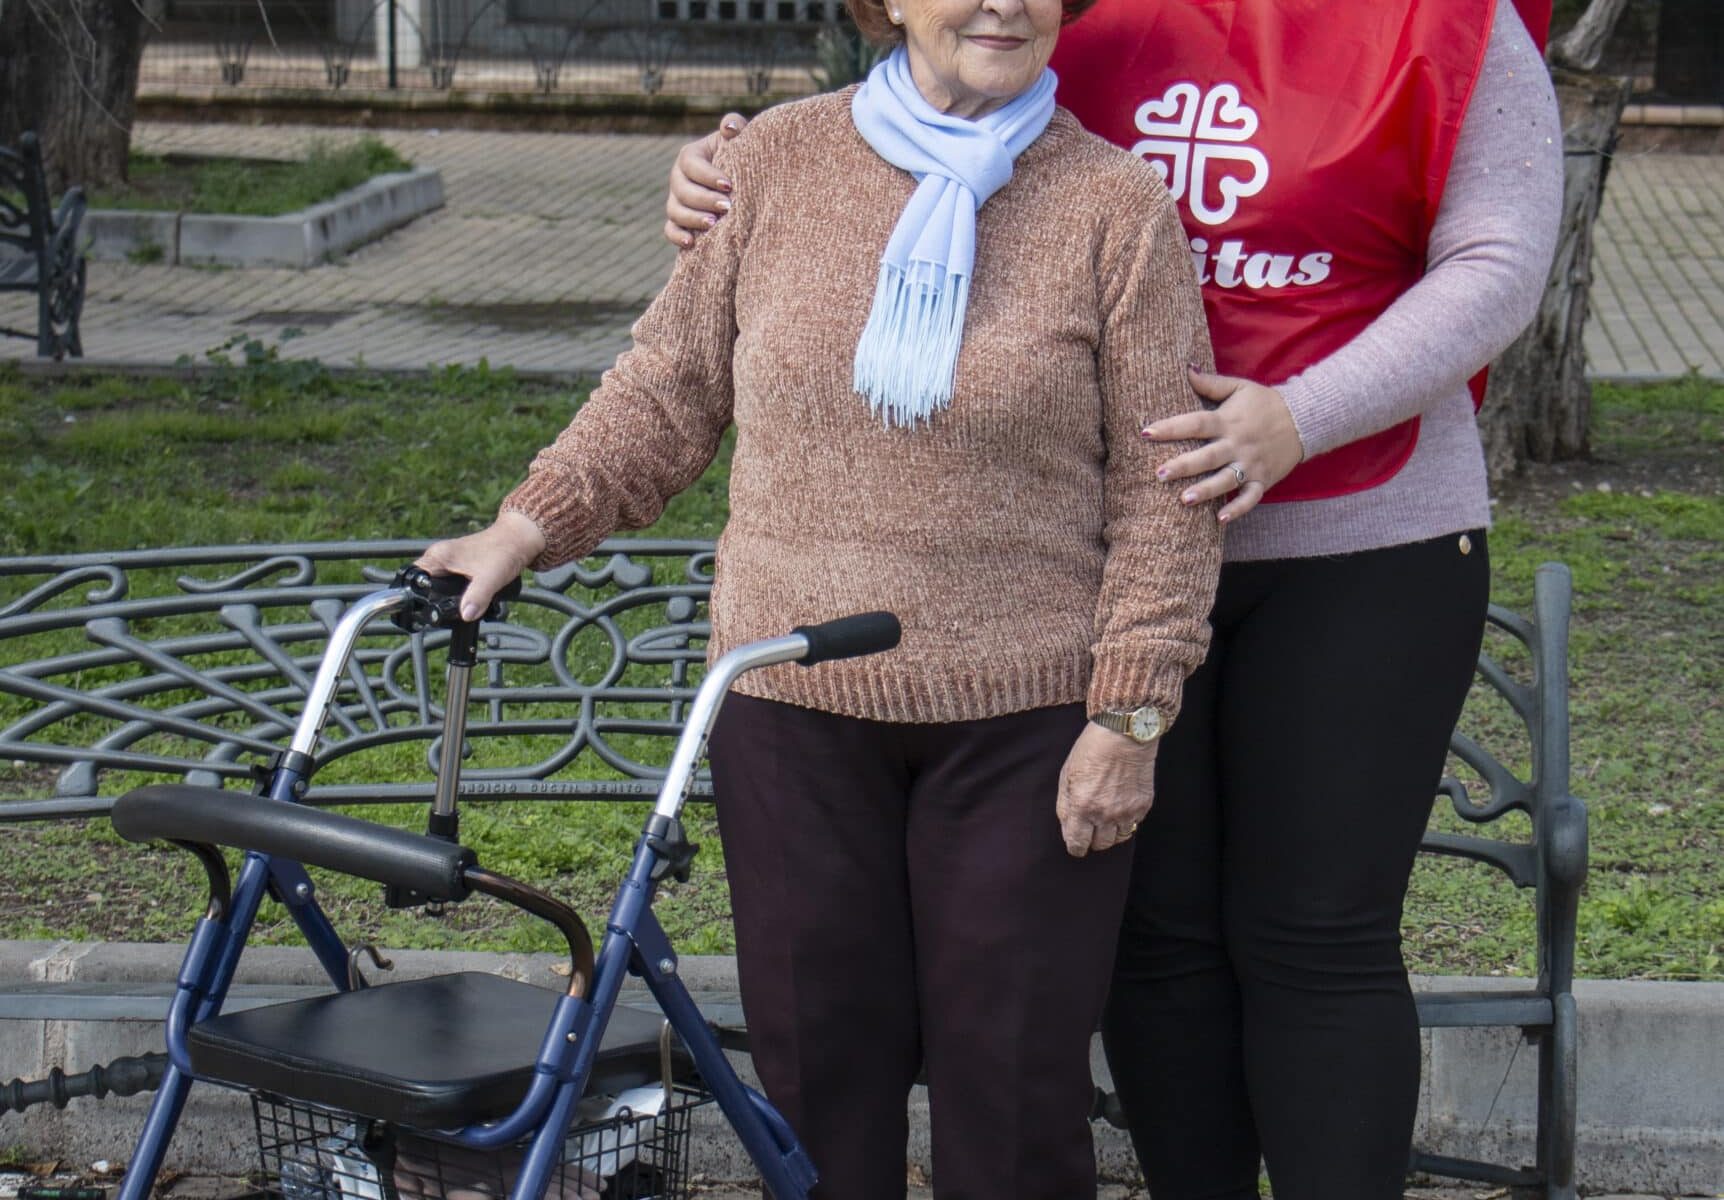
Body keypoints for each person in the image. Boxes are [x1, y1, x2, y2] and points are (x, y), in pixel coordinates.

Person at [663, 1, 1565, 1196]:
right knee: (1162, 941)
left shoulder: (1444, 25)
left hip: (1359, 534)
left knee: (1314, 938)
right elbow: (916, 142)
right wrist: (719, 174)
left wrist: (1297, 417)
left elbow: (1496, 266)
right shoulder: (1067, 15)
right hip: (1112, 562)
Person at [418, 0, 1222, 1193]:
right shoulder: (773, 161)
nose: (1002, 3)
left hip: (1029, 724)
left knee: (1011, 1097)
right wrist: (526, 525)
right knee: (815, 1083)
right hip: (788, 702)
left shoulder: (1116, 207)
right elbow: (666, 389)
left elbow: (1169, 491)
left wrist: (1130, 714)